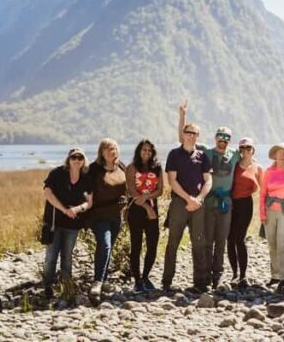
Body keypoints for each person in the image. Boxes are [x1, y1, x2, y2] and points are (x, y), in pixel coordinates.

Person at [178, 102, 239, 288]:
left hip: (226, 204)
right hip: (208, 202)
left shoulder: (235, 154)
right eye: (220, 136)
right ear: (215, 137)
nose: (223, 139)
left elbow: (249, 154)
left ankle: (217, 276)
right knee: (207, 240)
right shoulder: (206, 151)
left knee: (221, 241)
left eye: (226, 137)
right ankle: (203, 276)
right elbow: (184, 139)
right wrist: (182, 116)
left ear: (229, 140)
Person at [163, 122, 212, 293]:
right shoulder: (174, 154)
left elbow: (208, 180)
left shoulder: (202, 156)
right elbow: (172, 180)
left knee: (199, 242)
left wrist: (198, 199)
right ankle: (167, 281)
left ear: (198, 136)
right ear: (183, 134)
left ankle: (200, 282)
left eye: (195, 133)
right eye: (189, 132)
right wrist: (188, 199)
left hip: (198, 204)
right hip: (179, 203)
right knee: (173, 242)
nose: (191, 136)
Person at [42, 148, 93, 298]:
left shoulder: (86, 178)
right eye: (73, 157)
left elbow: (89, 202)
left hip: (72, 225)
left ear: (84, 160)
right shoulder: (57, 173)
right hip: (54, 222)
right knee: (51, 257)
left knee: (67, 257)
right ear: (68, 159)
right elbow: (47, 193)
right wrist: (65, 210)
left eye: (80, 158)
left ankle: (66, 287)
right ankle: (48, 286)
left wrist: (76, 209)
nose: (77, 160)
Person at [87, 139, 128, 296]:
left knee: (109, 247)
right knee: (104, 245)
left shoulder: (121, 166)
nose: (112, 152)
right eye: (108, 149)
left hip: (116, 215)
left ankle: (103, 281)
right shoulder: (94, 169)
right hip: (99, 215)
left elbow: (128, 187)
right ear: (101, 152)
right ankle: (97, 282)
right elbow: (85, 190)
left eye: (114, 149)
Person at [125, 139, 163, 293]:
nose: (146, 152)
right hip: (136, 209)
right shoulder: (132, 167)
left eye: (149, 150)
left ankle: (146, 277)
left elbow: (160, 190)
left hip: (152, 207)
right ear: (139, 151)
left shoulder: (157, 167)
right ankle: (137, 281)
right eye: (144, 150)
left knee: (152, 244)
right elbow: (132, 191)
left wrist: (147, 197)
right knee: (136, 245)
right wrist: (147, 207)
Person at [260, 143, 284, 293]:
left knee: (283, 244)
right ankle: (275, 275)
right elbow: (263, 193)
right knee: (272, 244)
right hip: (270, 211)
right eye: (279, 152)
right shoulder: (269, 172)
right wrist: (262, 213)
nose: (282, 155)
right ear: (275, 155)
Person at [228, 137, 263, 288]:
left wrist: (266, 207)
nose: (246, 151)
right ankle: (234, 273)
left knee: (240, 238)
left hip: (245, 204)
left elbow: (264, 189)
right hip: (231, 203)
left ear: (253, 150)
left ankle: (243, 275)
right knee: (230, 238)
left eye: (248, 148)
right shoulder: (234, 165)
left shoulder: (258, 167)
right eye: (242, 148)